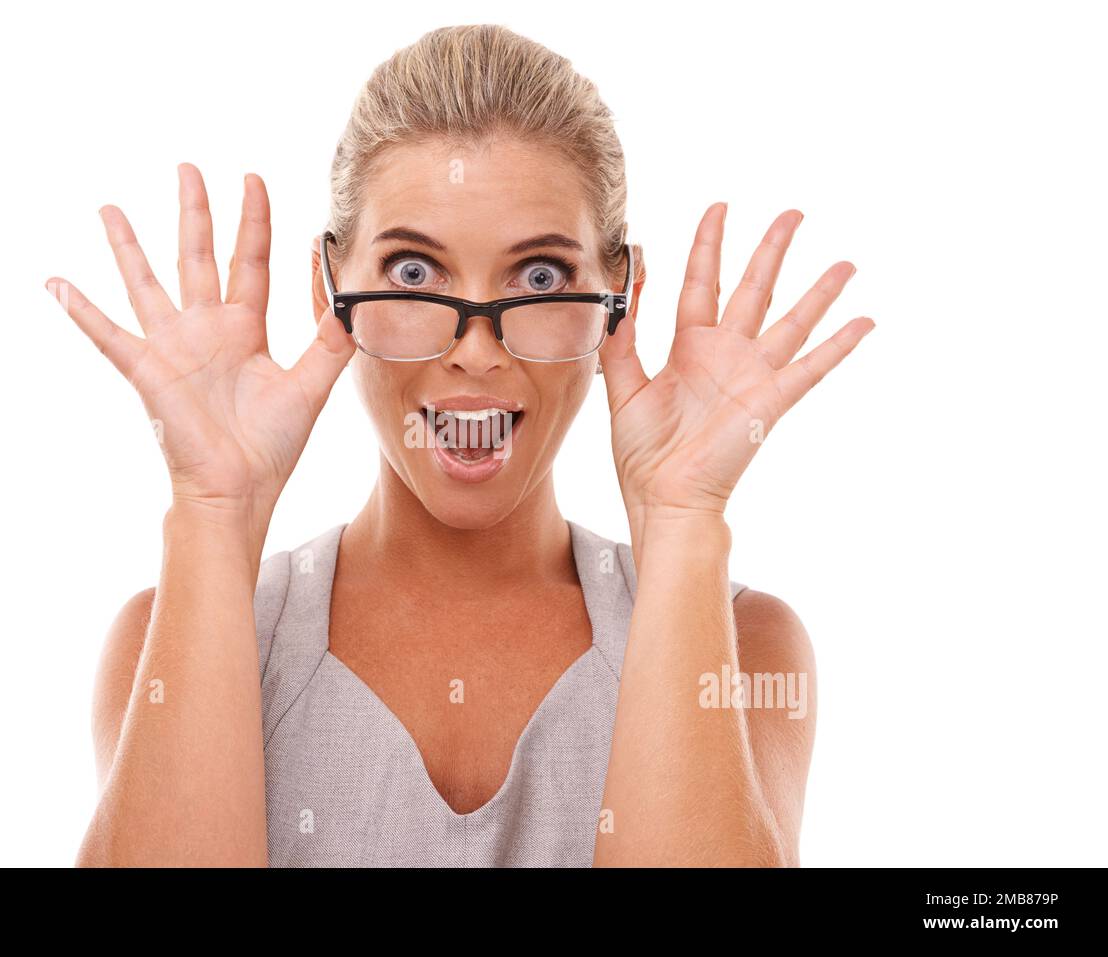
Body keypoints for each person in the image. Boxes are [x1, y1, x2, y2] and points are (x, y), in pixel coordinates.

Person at [45, 24, 873, 867]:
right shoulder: (176, 630)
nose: (476, 348)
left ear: (616, 294)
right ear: (330, 288)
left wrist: (684, 517)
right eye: (413, 272)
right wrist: (214, 513)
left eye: (540, 276)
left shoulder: (745, 644)